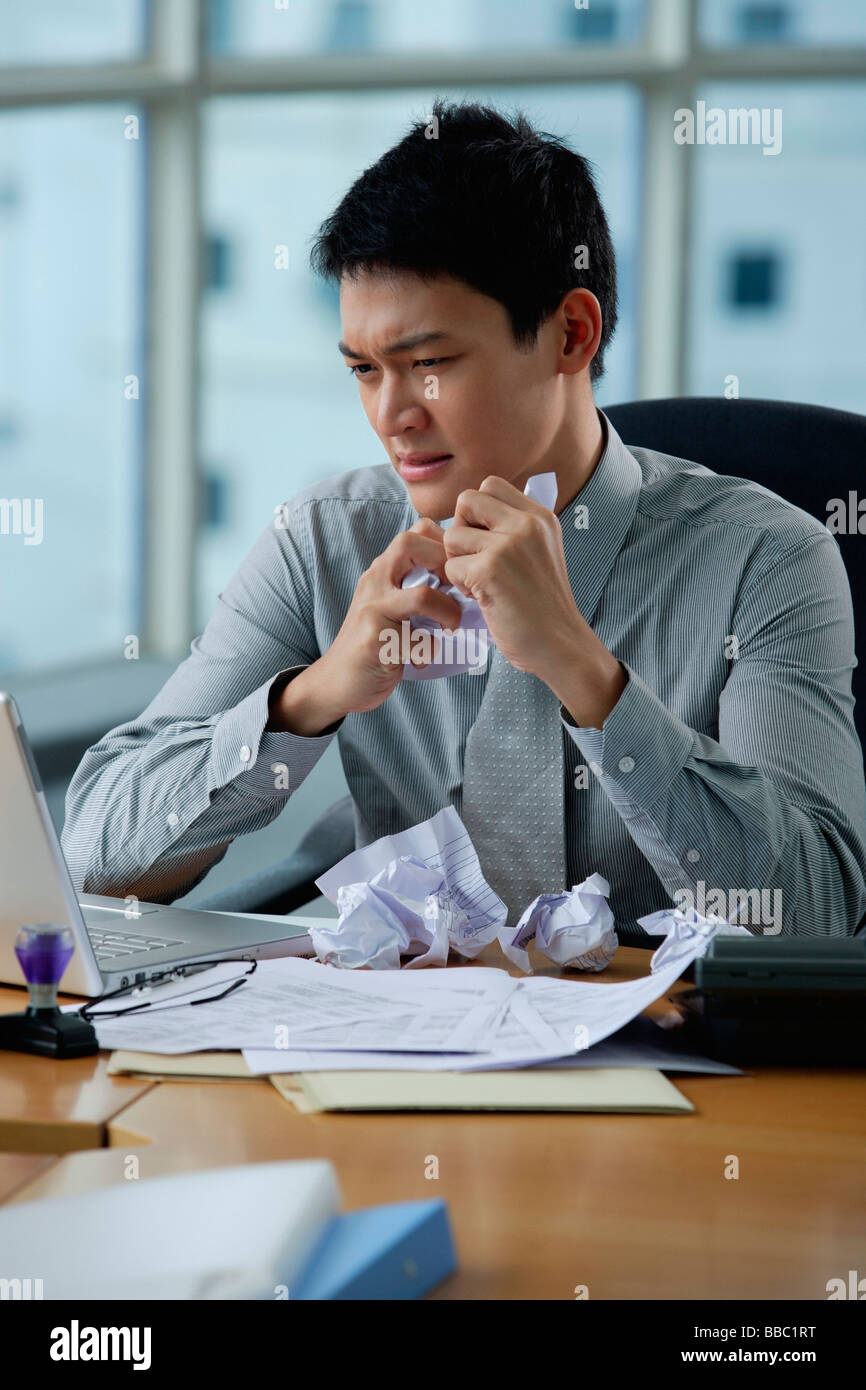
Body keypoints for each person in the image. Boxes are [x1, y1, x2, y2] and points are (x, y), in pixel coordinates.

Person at [62, 99, 866, 943]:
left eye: (430, 364)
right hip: (381, 1047)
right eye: (365, 370)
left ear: (571, 334)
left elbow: (812, 914)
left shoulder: (770, 559)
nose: (392, 414)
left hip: (679, 1063)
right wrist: (311, 698)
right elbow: (90, 857)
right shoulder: (325, 540)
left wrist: (584, 671)